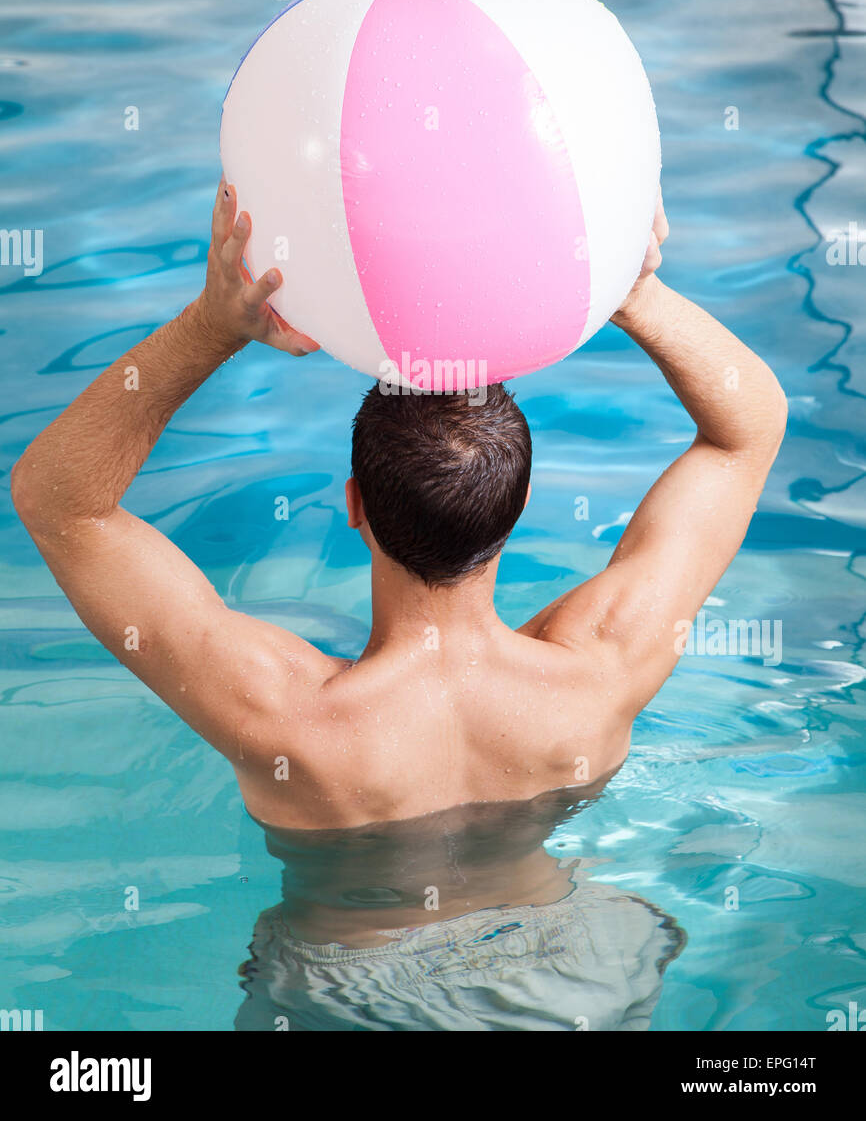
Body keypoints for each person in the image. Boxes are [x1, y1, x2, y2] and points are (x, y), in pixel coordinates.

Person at [11, 178, 787, 834]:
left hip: (339, 999)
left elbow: (59, 502)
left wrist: (212, 326)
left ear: (355, 505)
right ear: (515, 509)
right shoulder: (604, 671)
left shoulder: (285, 719)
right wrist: (633, 292)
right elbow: (745, 433)